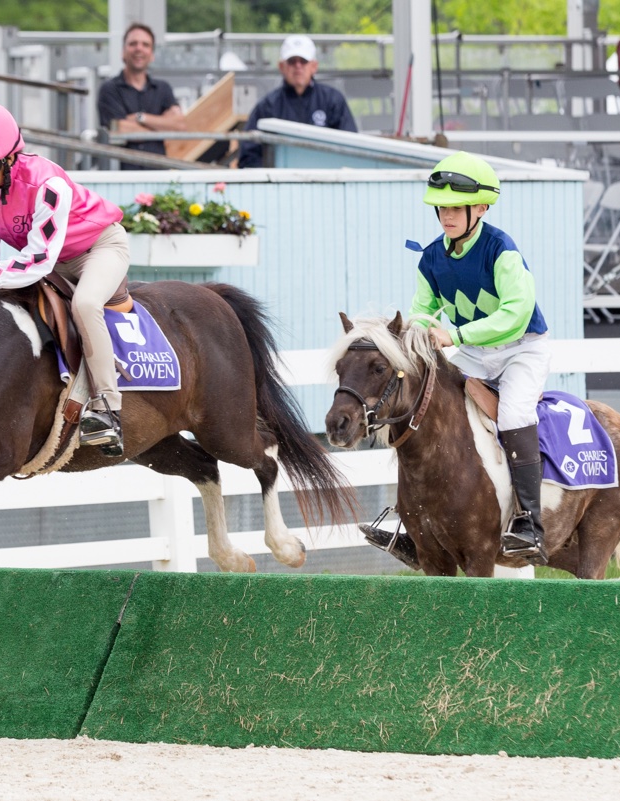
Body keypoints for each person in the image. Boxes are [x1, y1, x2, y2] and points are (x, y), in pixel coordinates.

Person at [361, 152, 551, 566]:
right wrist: (406, 337)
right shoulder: (431, 257)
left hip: (522, 349)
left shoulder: (501, 250)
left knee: (514, 413)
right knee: (425, 404)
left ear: (480, 208)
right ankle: (413, 523)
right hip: (476, 354)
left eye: (455, 208)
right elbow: (422, 311)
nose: (446, 216)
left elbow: (516, 314)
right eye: (441, 208)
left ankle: (529, 523)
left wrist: (456, 335)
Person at [0, 101, 129, 455]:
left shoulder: (48, 184)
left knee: (86, 304)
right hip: (53, 260)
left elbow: (38, 261)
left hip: (98, 249)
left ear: (10, 159)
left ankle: (107, 408)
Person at [236, 34, 358, 169]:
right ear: (281, 66)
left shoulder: (333, 101)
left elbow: (352, 147)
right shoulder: (268, 106)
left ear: (314, 66)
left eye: (303, 61)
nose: (298, 66)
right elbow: (249, 156)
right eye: (292, 61)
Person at [97, 22, 186, 170]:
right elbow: (121, 129)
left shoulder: (163, 89)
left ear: (152, 54)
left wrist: (141, 118)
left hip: (158, 173)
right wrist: (161, 128)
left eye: (145, 45)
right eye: (133, 44)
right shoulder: (110, 89)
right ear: (123, 52)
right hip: (121, 175)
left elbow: (179, 125)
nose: (139, 48)